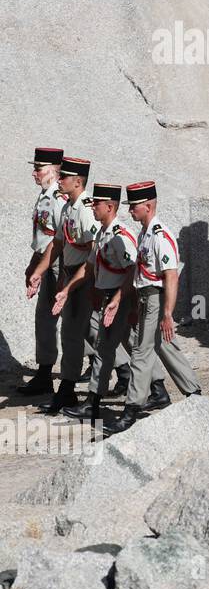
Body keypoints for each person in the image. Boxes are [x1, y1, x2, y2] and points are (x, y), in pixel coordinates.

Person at [103, 182, 200, 434]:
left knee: (142, 351)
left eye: (134, 206)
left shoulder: (160, 235)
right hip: (145, 297)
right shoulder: (145, 234)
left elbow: (170, 276)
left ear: (148, 206)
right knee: (166, 347)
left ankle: (131, 409)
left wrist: (167, 313)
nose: (130, 210)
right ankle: (194, 391)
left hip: (156, 298)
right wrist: (125, 300)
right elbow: (139, 273)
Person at [64, 183, 136, 423]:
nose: (92, 207)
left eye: (97, 203)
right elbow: (91, 267)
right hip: (109, 296)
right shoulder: (102, 234)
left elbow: (132, 271)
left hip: (123, 297)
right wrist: (82, 290)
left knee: (138, 345)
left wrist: (118, 299)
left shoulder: (120, 236)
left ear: (110, 206)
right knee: (107, 349)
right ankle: (93, 402)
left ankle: (156, 389)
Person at [38, 157, 99, 414]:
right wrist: (41, 272)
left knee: (91, 332)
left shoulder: (86, 208)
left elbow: (96, 249)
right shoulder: (67, 207)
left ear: (78, 181)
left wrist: (80, 283)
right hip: (72, 274)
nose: (59, 180)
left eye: (64, 177)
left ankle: (140, 377)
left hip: (88, 277)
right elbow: (59, 244)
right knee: (76, 333)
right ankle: (68, 389)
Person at [19, 147, 65, 397]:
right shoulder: (45, 196)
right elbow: (43, 237)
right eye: (34, 168)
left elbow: (59, 240)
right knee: (45, 319)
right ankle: (45, 373)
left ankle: (122, 368)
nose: (34, 173)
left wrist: (41, 266)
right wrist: (32, 264)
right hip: (46, 262)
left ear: (54, 171)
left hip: (60, 264)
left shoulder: (59, 197)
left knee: (82, 320)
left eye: (39, 168)